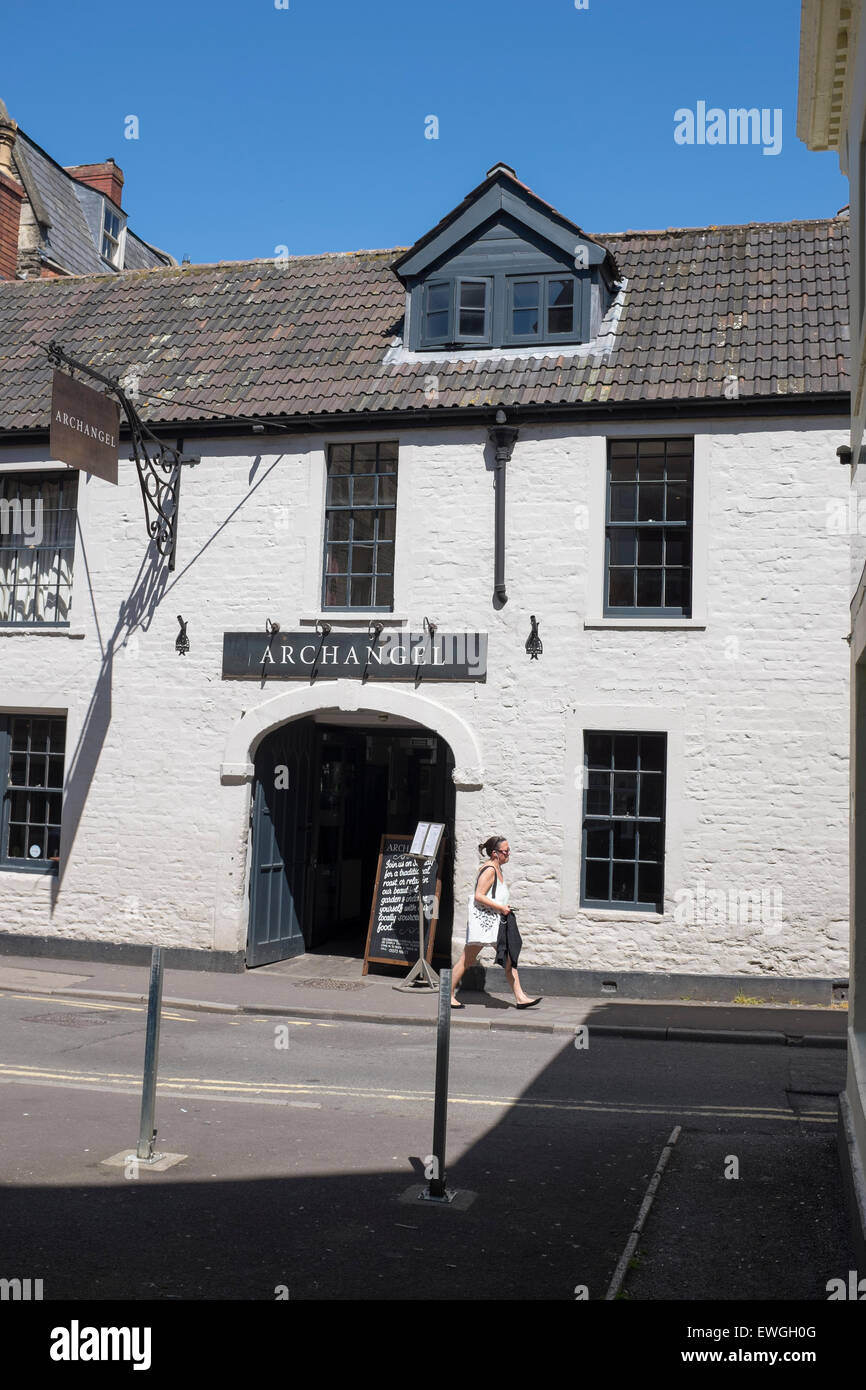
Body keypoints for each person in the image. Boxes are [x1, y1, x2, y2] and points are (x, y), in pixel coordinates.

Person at [450, 835, 541, 1009]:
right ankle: (447, 994)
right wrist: (501, 907)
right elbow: (478, 895)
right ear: (494, 853)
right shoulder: (490, 869)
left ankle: (521, 997)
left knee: (508, 960)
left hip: (494, 923)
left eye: (508, 850)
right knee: (466, 960)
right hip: (487, 923)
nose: (508, 854)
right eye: (505, 851)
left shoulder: (497, 867)